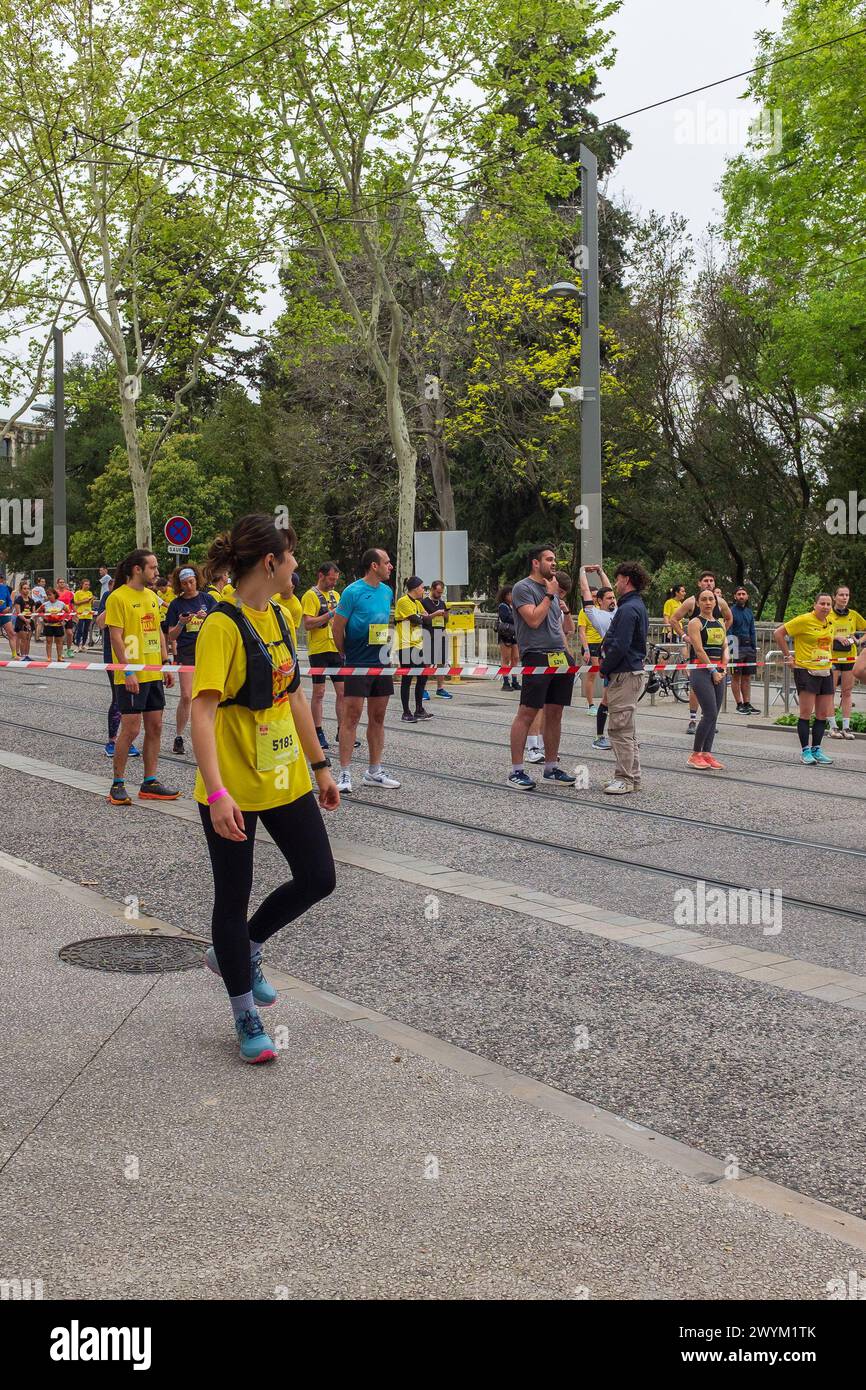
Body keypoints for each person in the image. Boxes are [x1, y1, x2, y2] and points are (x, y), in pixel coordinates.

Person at [191, 513, 338, 1064]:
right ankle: (243, 1011)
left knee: (319, 877)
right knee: (232, 894)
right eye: (292, 557)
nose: (298, 566)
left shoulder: (281, 613)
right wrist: (217, 790)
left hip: (285, 775)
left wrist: (320, 764)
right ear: (270, 562)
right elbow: (201, 714)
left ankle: (243, 949)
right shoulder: (220, 626)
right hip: (232, 783)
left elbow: (294, 695)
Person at [105, 549, 179, 805]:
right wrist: (127, 671)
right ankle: (118, 783)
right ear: (137, 569)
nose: (156, 572)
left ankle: (150, 782)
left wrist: (166, 661)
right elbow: (115, 636)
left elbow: (158, 631)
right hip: (131, 673)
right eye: (152, 567)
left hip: (153, 672)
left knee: (156, 726)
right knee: (131, 728)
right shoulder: (118, 597)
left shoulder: (152, 596)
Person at [331, 548, 401, 794]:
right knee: (351, 717)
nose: (390, 566)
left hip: (380, 661)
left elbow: (383, 624)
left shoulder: (387, 591)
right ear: (374, 565)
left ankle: (374, 771)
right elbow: (337, 627)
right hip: (357, 661)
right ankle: (344, 773)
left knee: (379, 716)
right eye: (387, 562)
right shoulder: (352, 592)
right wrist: (344, 654)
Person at [507, 545, 577, 790]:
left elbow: (564, 628)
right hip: (536, 655)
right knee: (527, 712)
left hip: (559, 655)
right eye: (549, 559)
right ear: (536, 563)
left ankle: (550, 767)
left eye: (554, 559)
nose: (554, 563)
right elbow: (534, 619)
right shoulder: (522, 588)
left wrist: (568, 653)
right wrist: (549, 595)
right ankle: (516, 770)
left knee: (555, 713)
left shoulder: (554, 589)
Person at [598, 561, 650, 794]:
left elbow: (620, 644)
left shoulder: (628, 609)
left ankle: (625, 778)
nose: (616, 584)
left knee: (619, 728)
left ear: (626, 580)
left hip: (624, 673)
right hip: (631, 671)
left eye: (617, 579)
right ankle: (633, 777)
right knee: (627, 728)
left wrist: (604, 667)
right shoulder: (635, 605)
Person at [774, 594, 836, 765]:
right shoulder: (804, 620)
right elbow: (778, 633)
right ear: (814, 605)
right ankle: (805, 751)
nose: (825, 607)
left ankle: (817, 748)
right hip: (806, 671)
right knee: (806, 713)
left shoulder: (830, 621)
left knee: (822, 713)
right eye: (822, 603)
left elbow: (827, 643)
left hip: (825, 670)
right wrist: (788, 657)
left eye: (828, 604)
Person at [669, 573, 732, 735]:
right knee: (697, 687)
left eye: (711, 581)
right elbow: (674, 619)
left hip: (715, 651)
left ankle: (709, 719)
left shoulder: (721, 602)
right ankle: (692, 719)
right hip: (697, 650)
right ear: (699, 584)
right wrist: (685, 636)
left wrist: (720, 636)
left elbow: (729, 618)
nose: (709, 583)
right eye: (705, 581)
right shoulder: (691, 601)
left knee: (715, 685)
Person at [166, 565, 217, 755]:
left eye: (191, 582)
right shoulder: (176, 604)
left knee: (207, 695)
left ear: (197, 580)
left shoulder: (208, 599)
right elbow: (171, 635)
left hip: (206, 649)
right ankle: (179, 736)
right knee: (187, 695)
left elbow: (219, 625)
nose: (188, 586)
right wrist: (181, 622)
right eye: (184, 583)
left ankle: (208, 735)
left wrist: (208, 619)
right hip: (186, 651)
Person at [301, 562, 345, 751]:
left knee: (342, 692)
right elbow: (308, 624)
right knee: (318, 693)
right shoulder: (310, 596)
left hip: (336, 647)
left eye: (336, 580)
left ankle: (342, 730)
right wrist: (330, 614)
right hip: (319, 649)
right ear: (321, 575)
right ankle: (317, 732)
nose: (334, 583)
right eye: (331, 579)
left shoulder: (337, 595)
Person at [95, 579, 140, 759]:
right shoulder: (109, 596)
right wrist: (114, 603)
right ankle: (112, 740)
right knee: (118, 697)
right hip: (114, 656)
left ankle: (126, 739)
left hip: (135, 654)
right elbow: (100, 623)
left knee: (133, 700)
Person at [686, 590, 729, 770]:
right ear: (698, 603)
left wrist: (724, 666)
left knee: (714, 715)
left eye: (711, 599)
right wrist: (712, 670)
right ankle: (695, 754)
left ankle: (707, 753)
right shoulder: (695, 623)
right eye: (703, 600)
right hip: (701, 670)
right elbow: (699, 649)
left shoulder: (720, 623)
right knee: (709, 712)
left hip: (718, 669)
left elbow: (725, 645)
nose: (708, 602)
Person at [578, 564, 617, 750]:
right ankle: (599, 736)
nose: (613, 600)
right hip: (611, 663)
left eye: (614, 598)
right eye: (608, 598)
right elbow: (585, 590)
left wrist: (601, 572)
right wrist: (583, 572)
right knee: (607, 700)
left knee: (625, 704)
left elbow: (608, 588)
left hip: (624, 662)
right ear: (599, 601)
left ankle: (625, 736)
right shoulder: (594, 614)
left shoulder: (618, 611)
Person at [828, 584, 866, 739]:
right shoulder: (827, 613)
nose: (844, 597)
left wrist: (858, 641)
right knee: (830, 692)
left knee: (847, 692)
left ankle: (846, 727)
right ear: (834, 597)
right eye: (841, 595)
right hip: (832, 657)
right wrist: (835, 638)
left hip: (850, 657)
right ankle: (832, 727)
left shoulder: (853, 615)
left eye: (847, 595)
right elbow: (818, 633)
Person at [395, 575, 433, 723]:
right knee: (407, 678)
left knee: (423, 675)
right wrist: (422, 617)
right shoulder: (403, 601)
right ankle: (406, 712)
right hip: (405, 645)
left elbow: (427, 618)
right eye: (423, 587)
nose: (423, 590)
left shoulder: (417, 603)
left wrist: (423, 616)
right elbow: (417, 619)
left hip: (418, 644)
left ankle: (419, 709)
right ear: (416, 588)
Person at [421, 579, 453, 699]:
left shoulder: (442, 603)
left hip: (441, 633)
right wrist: (435, 613)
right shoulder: (424, 602)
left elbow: (446, 620)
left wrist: (446, 615)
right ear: (432, 590)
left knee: (441, 661)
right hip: (428, 634)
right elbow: (423, 619)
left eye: (441, 592)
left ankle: (440, 688)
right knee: (427, 662)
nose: (439, 595)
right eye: (438, 592)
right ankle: (422, 688)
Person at [729, 586, 758, 714]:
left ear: (747, 596)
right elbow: (728, 630)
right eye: (739, 594)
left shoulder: (749, 612)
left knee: (747, 677)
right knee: (736, 676)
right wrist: (731, 649)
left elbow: (752, 630)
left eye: (743, 594)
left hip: (748, 646)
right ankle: (739, 704)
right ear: (735, 596)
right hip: (736, 645)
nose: (741, 596)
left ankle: (747, 703)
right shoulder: (730, 611)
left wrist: (753, 647)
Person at [495, 585, 520, 692]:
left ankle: (514, 680)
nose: (512, 596)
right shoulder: (503, 606)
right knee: (506, 658)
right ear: (505, 595)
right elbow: (506, 618)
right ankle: (506, 681)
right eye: (510, 594)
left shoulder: (513, 606)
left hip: (514, 634)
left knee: (515, 658)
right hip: (506, 635)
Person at [40, 586, 67, 662]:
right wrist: (43, 616)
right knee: (49, 641)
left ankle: (59, 657)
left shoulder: (61, 603)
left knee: (59, 642)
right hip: (48, 625)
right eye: (47, 595)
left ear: (55, 594)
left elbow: (68, 612)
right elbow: (38, 611)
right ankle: (49, 657)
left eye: (50, 594)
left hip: (58, 625)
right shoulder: (45, 604)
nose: (49, 596)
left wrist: (64, 619)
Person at [12, 579, 36, 660]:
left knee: (28, 639)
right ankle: (22, 656)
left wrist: (30, 619)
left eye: (28, 588)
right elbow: (18, 613)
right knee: (23, 639)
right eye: (24, 588)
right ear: (21, 590)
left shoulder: (32, 600)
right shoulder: (18, 599)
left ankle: (27, 655)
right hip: (21, 621)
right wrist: (25, 620)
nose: (26, 590)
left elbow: (33, 612)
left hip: (30, 621)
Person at [55, 577, 75, 657]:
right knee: (61, 634)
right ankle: (61, 651)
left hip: (67, 615)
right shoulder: (55, 593)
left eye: (63, 582)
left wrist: (75, 612)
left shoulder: (69, 593)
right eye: (60, 582)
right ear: (57, 584)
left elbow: (72, 603)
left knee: (70, 633)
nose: (62, 584)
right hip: (58, 615)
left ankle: (69, 649)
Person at [73, 578, 95, 650]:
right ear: (82, 585)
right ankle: (77, 645)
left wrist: (92, 600)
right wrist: (85, 601)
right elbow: (76, 602)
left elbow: (91, 604)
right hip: (81, 613)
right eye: (86, 584)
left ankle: (83, 644)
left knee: (86, 630)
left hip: (88, 613)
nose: (87, 586)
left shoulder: (90, 593)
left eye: (88, 585)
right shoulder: (78, 593)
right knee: (80, 630)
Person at [0, 573, 16, 657]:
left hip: (4, 614)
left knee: (12, 633)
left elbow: (9, 600)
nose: (1, 580)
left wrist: (9, 607)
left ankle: (14, 654)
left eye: (2, 579)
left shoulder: (5, 588)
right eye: (1, 578)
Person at [31, 576, 47, 642]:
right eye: (42, 582)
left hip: (34, 605)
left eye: (44, 581)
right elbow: (45, 597)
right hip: (40, 605)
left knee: (36, 622)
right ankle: (37, 638)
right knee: (40, 622)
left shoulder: (34, 589)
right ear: (38, 582)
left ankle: (36, 637)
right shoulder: (41, 589)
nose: (44, 583)